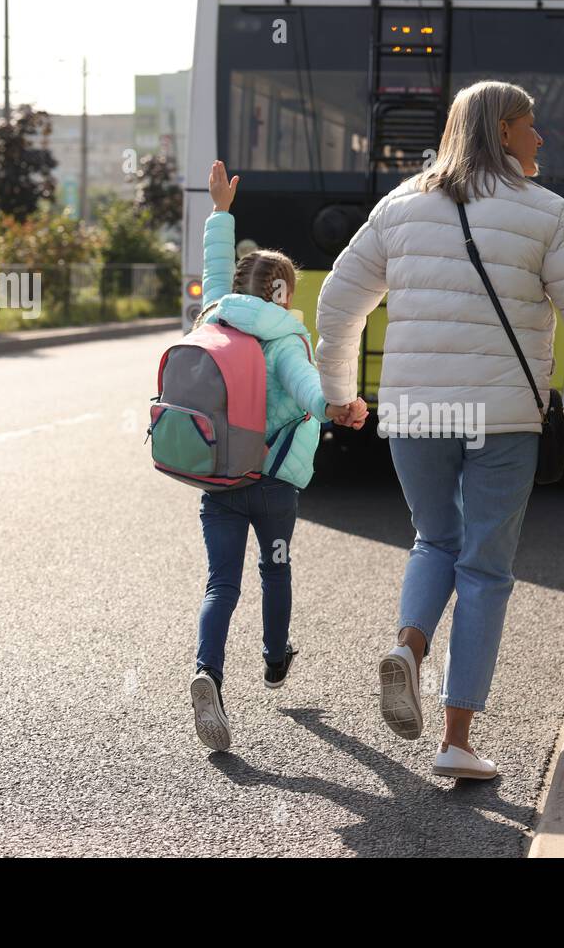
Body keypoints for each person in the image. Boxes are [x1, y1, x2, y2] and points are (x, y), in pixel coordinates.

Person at [313, 81, 564, 778]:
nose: (540, 138)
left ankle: (408, 648)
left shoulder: (398, 206)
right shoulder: (547, 214)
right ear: (502, 131)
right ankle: (455, 739)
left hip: (415, 411)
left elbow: (341, 303)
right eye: (530, 126)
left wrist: (338, 393)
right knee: (486, 568)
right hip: (501, 416)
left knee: (434, 537)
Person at [189, 161, 366, 753]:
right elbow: (311, 392)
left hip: (218, 478)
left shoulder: (216, 314)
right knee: (276, 569)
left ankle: (208, 672)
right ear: (284, 292)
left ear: (241, 286)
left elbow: (214, 268)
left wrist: (221, 212)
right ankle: (273, 658)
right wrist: (339, 407)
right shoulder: (287, 338)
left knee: (221, 585)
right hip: (274, 487)